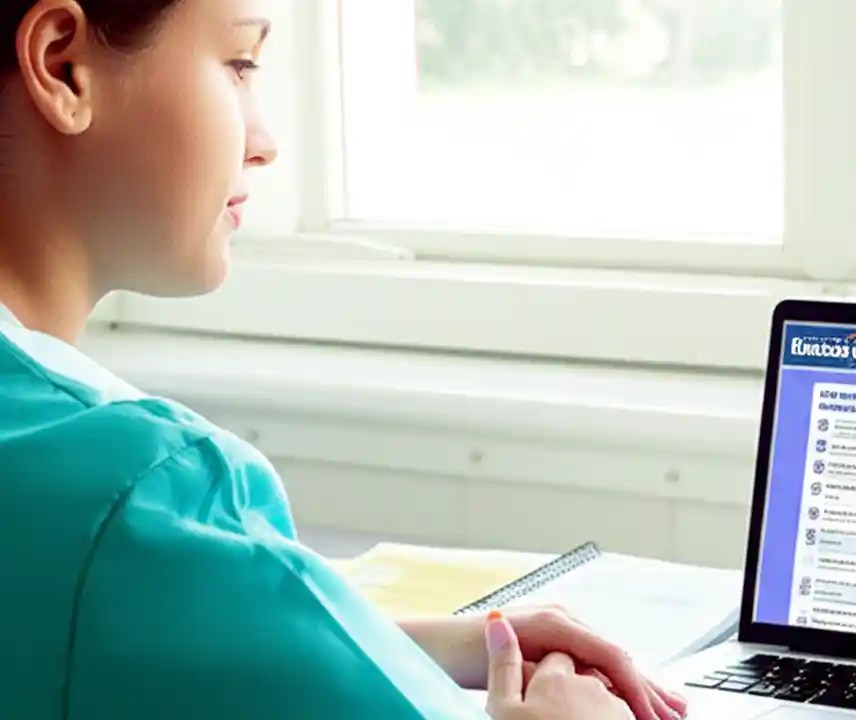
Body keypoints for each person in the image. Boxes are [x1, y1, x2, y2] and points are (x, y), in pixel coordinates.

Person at [0, 1, 688, 718]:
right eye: (238, 65)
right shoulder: (145, 494)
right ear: (62, 67)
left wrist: (371, 641)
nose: (263, 144)